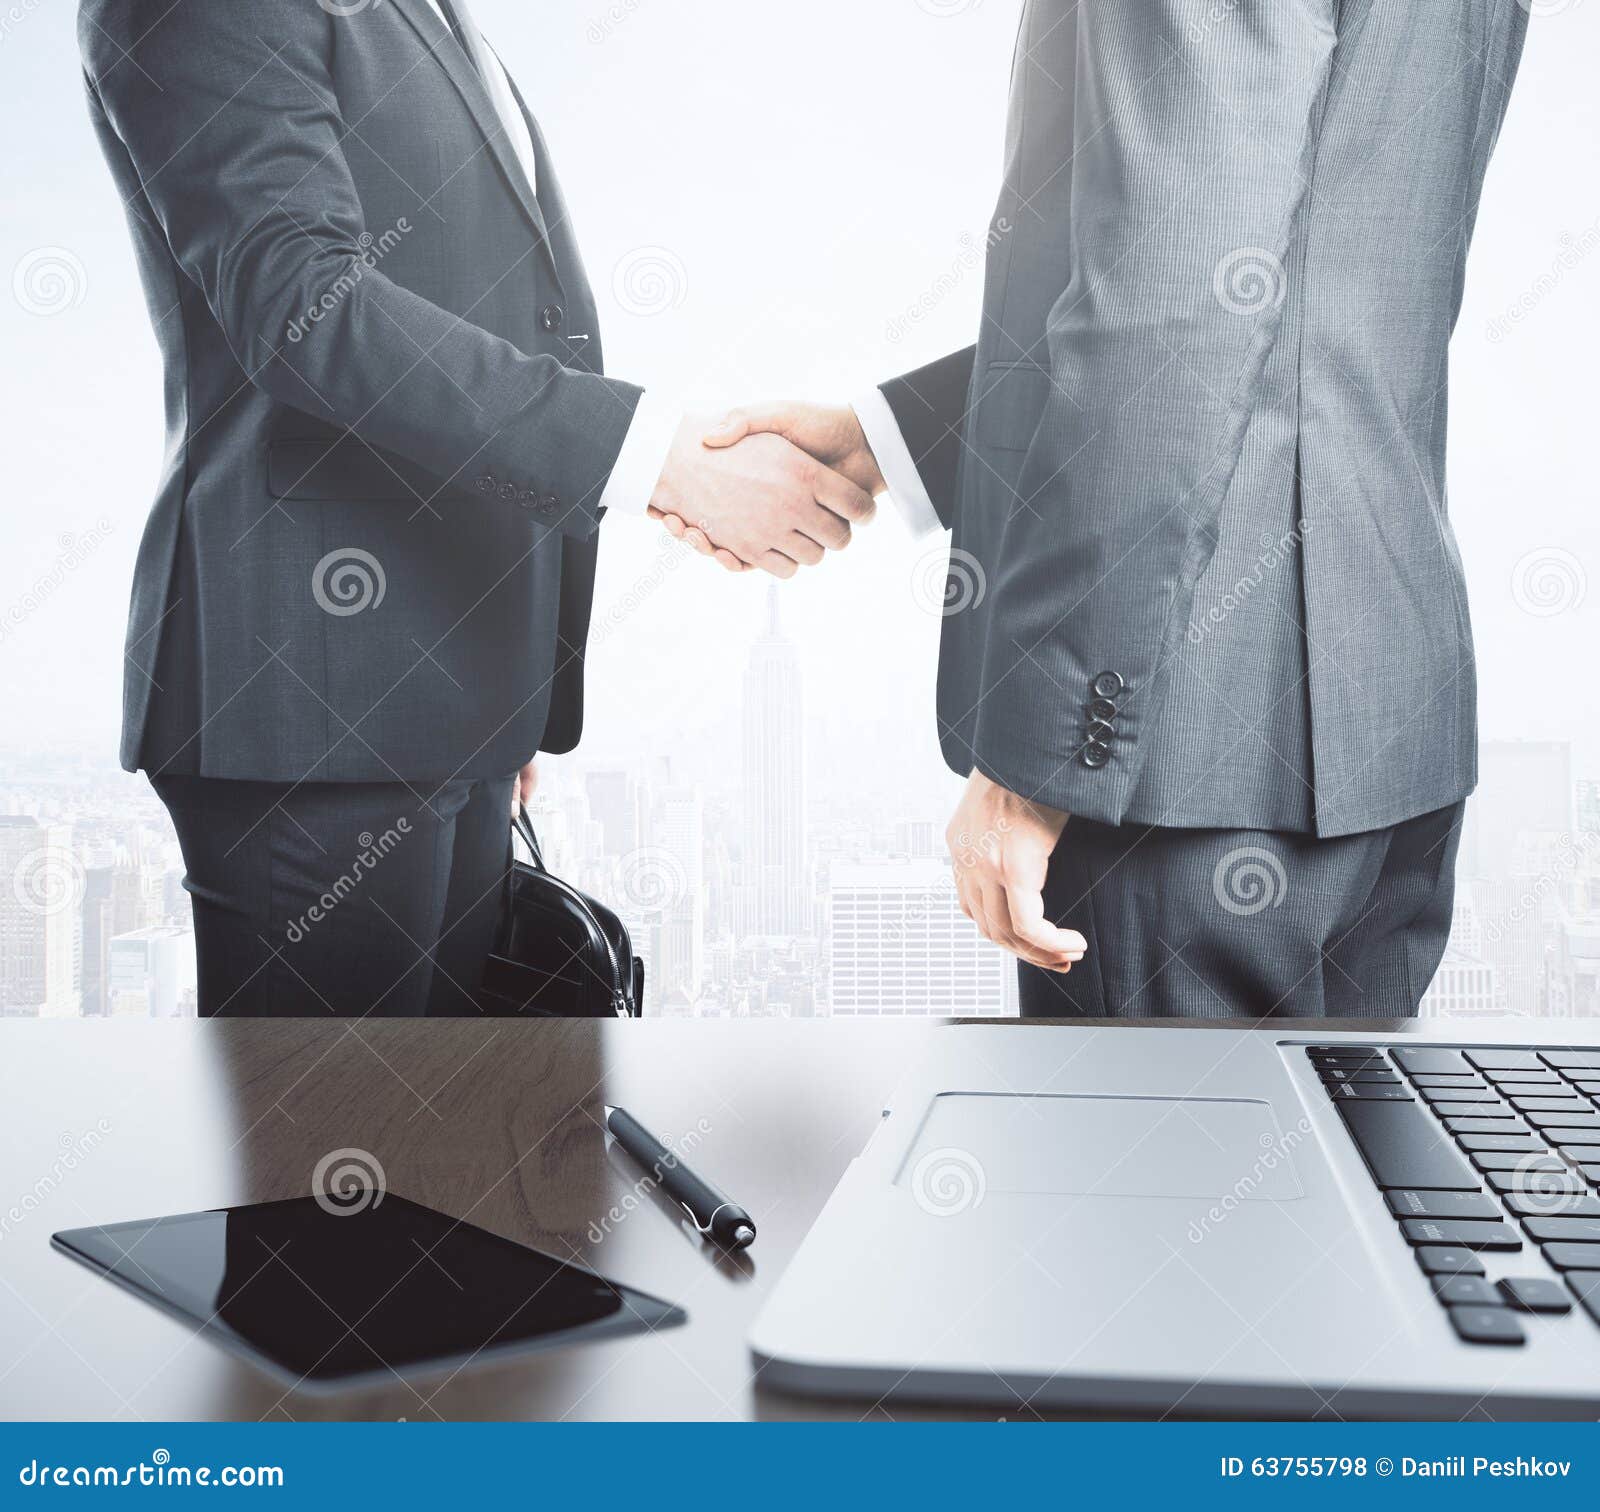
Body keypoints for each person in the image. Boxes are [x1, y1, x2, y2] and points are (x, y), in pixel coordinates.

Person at [676, 0, 1529, 1015]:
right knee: (1344, 1165)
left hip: (1188, 758)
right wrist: (887, 437)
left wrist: (1046, 764)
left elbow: (1180, 301)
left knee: (1146, 1172)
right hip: (1383, 726)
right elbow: (1304, 281)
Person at [79, 0, 874, 1017]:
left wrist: (496, 693)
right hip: (312, 701)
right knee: (333, 1156)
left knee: (439, 1154)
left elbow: (487, 305)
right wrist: (654, 459)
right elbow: (302, 306)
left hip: (445, 693)